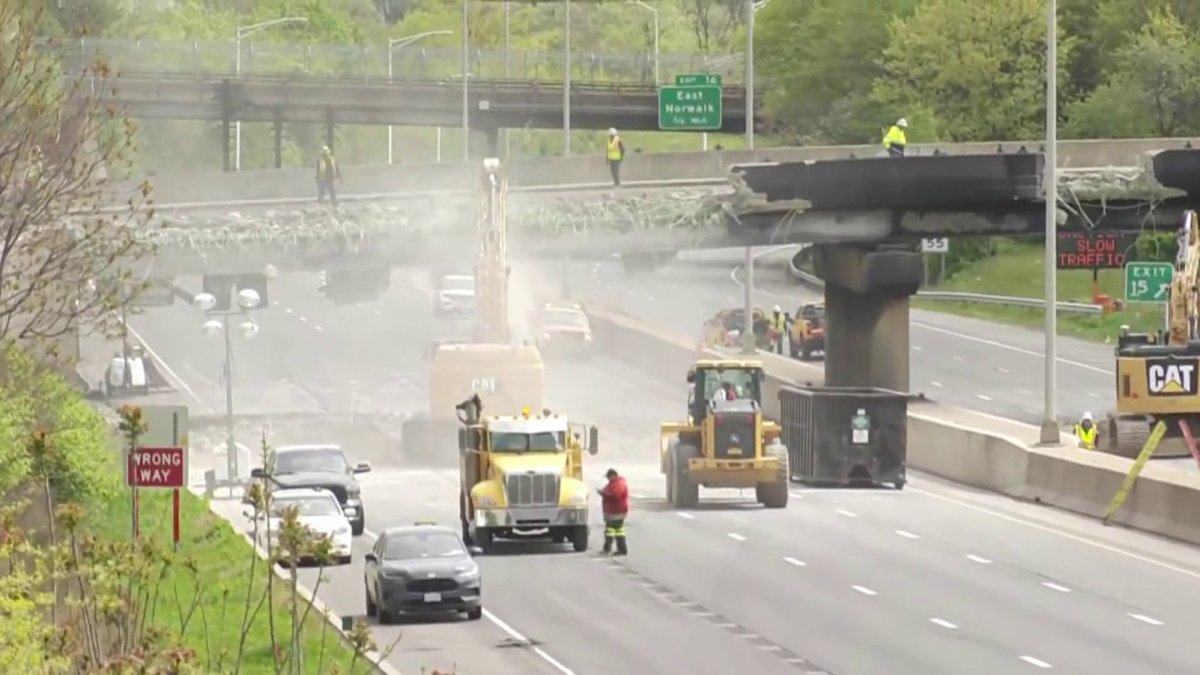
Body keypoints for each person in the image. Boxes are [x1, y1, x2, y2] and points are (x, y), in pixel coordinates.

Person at [598, 468, 628, 555]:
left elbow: (615, 495)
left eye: (608, 477)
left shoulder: (619, 484)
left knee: (613, 530)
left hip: (617, 511)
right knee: (614, 530)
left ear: (613, 476)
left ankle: (614, 549)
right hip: (612, 511)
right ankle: (614, 548)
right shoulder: (612, 483)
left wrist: (604, 494)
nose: (608, 479)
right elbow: (607, 490)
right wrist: (602, 492)